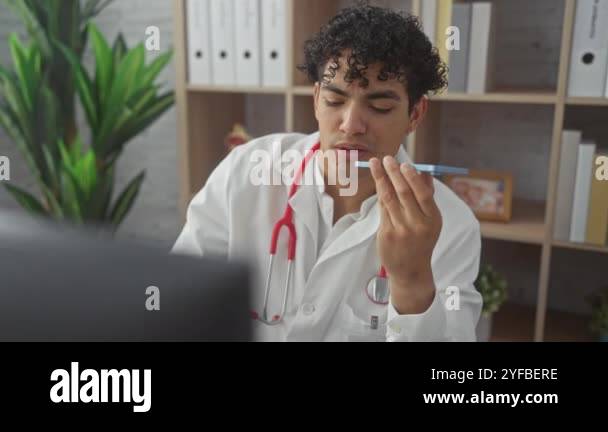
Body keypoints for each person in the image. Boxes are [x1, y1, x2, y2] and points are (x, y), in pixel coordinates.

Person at [172, 4, 482, 342]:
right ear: (317, 98)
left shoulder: (451, 226)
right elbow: (183, 298)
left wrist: (411, 281)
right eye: (335, 100)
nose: (351, 126)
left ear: (415, 114)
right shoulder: (247, 171)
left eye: (379, 107)